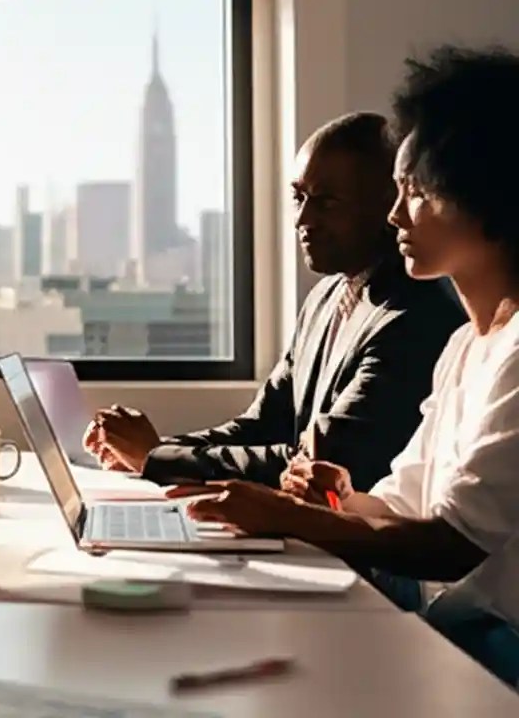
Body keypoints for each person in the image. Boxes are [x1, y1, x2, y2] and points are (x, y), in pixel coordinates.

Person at [172, 46, 519, 684]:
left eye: (415, 192)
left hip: (499, 646)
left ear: (485, 199)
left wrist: (288, 515)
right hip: (449, 622)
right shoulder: (467, 346)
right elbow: (404, 501)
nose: (395, 214)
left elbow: (452, 546)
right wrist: (340, 497)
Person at [86, 112, 464, 491]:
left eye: (327, 202)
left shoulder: (415, 317)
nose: (302, 218)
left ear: (386, 205)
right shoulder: (325, 298)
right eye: (298, 197)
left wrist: (157, 457)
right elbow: (262, 426)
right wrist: (154, 452)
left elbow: (327, 460)